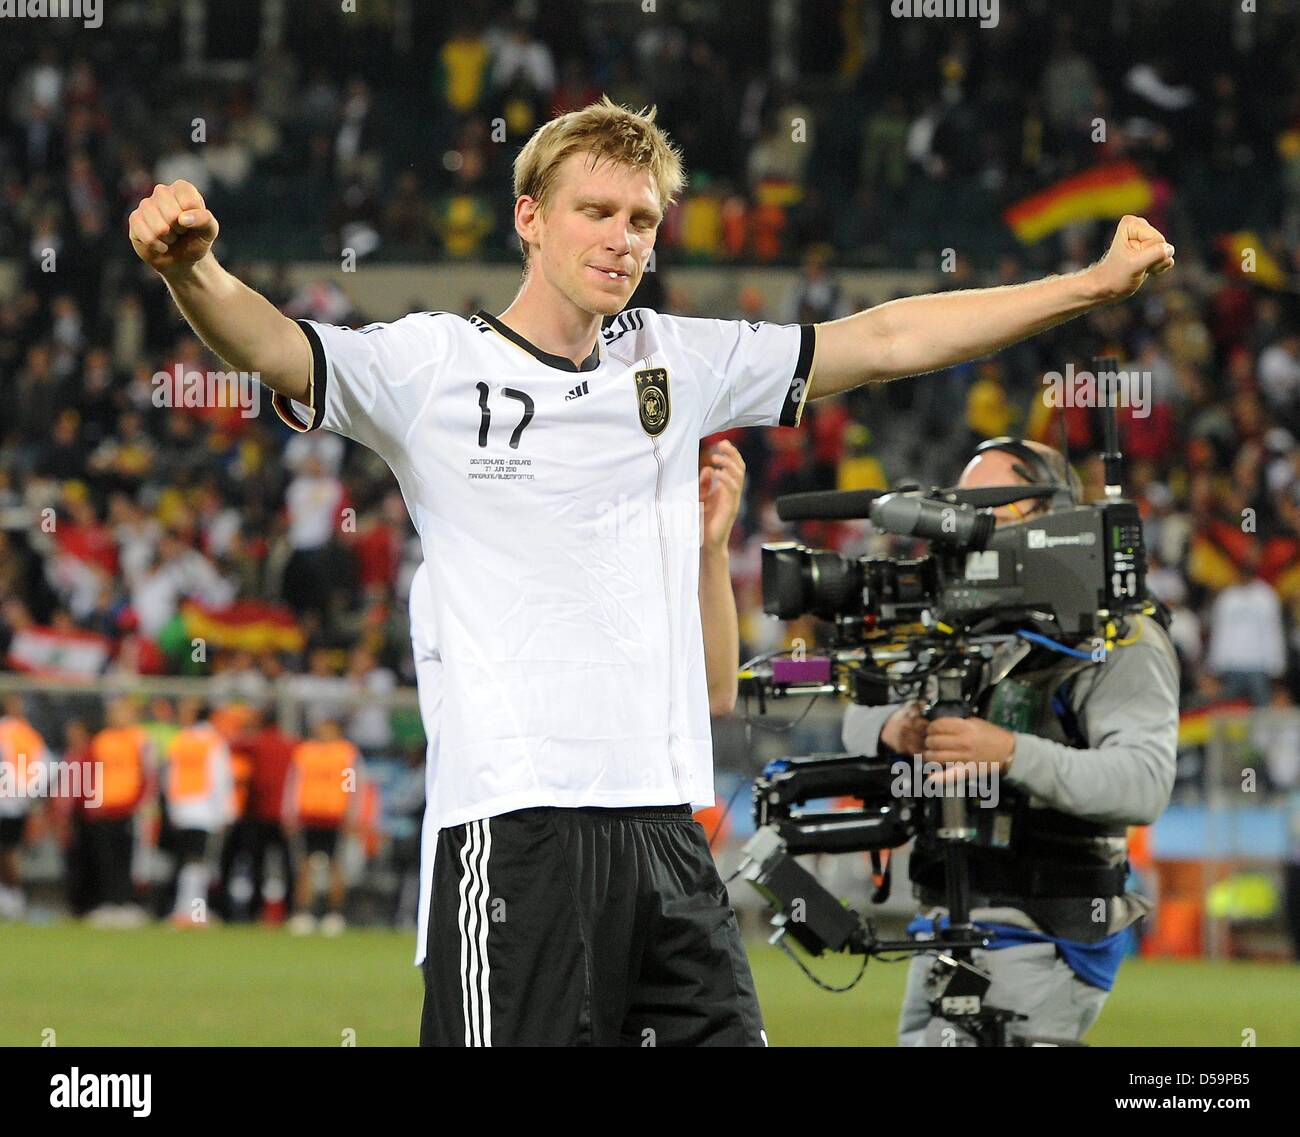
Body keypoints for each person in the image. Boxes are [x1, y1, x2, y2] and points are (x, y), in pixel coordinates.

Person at [128, 96, 1174, 1046]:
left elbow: (889, 336)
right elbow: (273, 348)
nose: (622, 239)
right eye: (596, 211)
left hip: (667, 833)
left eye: (641, 220)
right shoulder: (432, 366)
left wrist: (1082, 287)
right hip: (518, 822)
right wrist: (193, 272)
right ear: (529, 217)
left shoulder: (674, 357)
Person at [842, 439, 1181, 1045]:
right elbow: (853, 706)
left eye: (990, 510)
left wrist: (1009, 753)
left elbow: (1143, 783)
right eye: (962, 511)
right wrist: (897, 728)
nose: (970, 531)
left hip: (1044, 928)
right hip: (947, 916)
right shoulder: (960, 616)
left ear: (1052, 517)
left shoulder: (1117, 635)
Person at [410, 438, 748, 972]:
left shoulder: (615, 570)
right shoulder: (455, 574)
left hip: (628, 873)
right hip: (502, 874)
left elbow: (715, 691)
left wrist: (710, 551)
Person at [283, 717, 362, 936]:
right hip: (309, 815)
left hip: (335, 816)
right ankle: (304, 913)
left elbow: (353, 784)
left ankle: (334, 914)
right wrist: (290, 813)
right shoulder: (305, 752)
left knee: (336, 866)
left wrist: (351, 814)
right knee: (306, 866)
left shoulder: (346, 753)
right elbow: (294, 783)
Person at [163, 697, 235, 927]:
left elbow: (170, 777)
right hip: (204, 810)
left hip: (183, 809)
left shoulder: (181, 740)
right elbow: (220, 778)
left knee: (186, 863)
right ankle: (194, 912)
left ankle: (184, 910)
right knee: (199, 864)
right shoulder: (212, 741)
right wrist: (226, 812)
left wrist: (172, 809)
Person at [0, 695, 49, 921]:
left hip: (12, 804)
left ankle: (14, 900)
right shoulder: (20, 733)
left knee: (8, 853)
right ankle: (11, 900)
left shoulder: (27, 735)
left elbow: (43, 766)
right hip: (12, 801)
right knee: (7, 853)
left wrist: (27, 793)